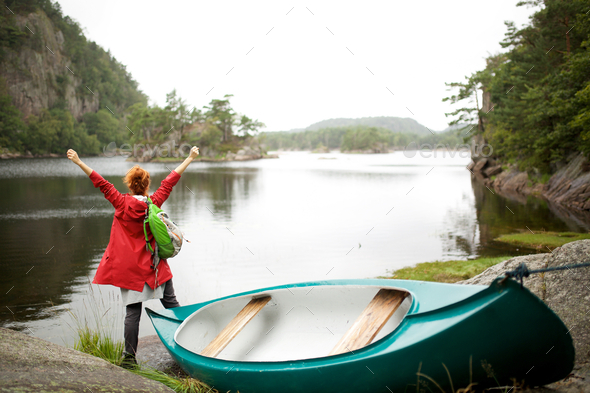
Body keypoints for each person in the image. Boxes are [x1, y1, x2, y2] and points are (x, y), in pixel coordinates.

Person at [67, 146, 200, 367]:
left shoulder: (120, 202)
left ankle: (129, 358)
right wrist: (189, 158)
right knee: (173, 305)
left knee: (132, 314)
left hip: (131, 272)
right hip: (155, 267)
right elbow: (170, 181)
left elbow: (101, 183)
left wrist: (79, 161)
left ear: (130, 185)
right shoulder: (153, 203)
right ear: (146, 185)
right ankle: (193, 344)